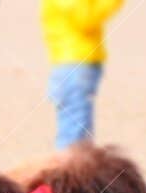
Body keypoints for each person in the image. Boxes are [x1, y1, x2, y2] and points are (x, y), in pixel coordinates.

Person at [41, 0, 123, 148]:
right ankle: (70, 169)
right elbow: (85, 20)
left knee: (76, 129)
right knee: (75, 134)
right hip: (75, 63)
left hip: (75, 61)